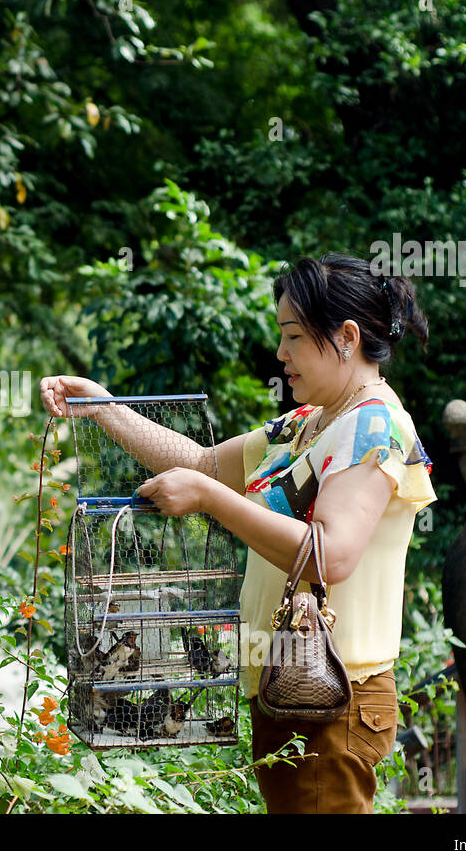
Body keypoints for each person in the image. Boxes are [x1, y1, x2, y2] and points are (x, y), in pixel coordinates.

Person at [39, 252, 436, 813]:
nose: (281, 354)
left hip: (333, 696)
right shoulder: (309, 423)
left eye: (293, 336)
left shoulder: (373, 424)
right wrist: (102, 406)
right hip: (291, 686)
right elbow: (201, 463)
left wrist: (209, 501)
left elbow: (332, 554)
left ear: (346, 337)